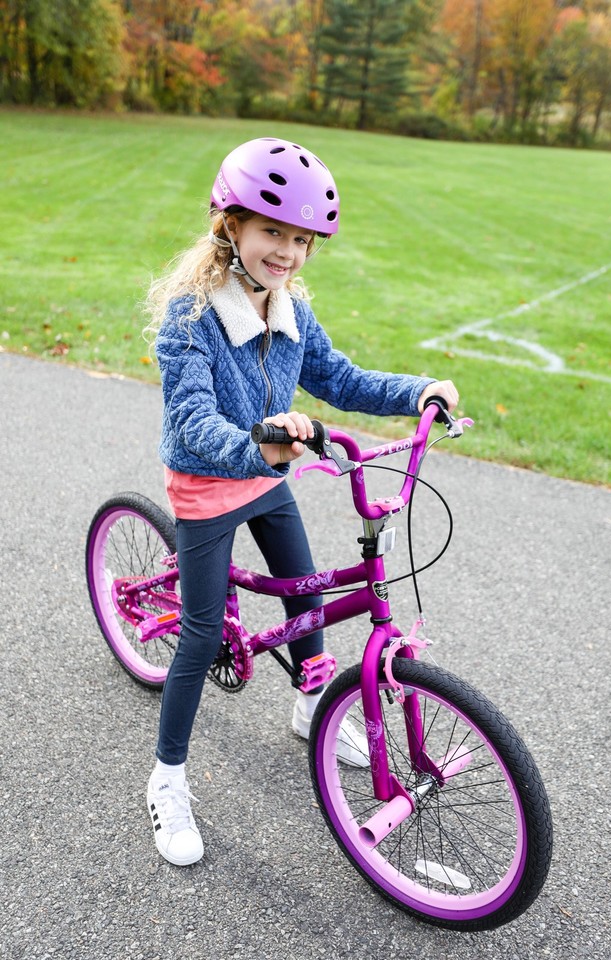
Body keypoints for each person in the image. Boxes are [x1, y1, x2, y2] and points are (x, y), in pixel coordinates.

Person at [144, 136, 459, 866]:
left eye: (300, 239)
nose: (286, 252)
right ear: (231, 226)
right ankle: (166, 780)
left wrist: (417, 390)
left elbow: (340, 380)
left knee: (308, 599)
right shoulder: (191, 319)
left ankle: (312, 704)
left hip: (268, 479)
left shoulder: (291, 312)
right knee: (197, 635)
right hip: (208, 484)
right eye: (271, 233)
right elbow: (194, 422)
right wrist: (259, 444)